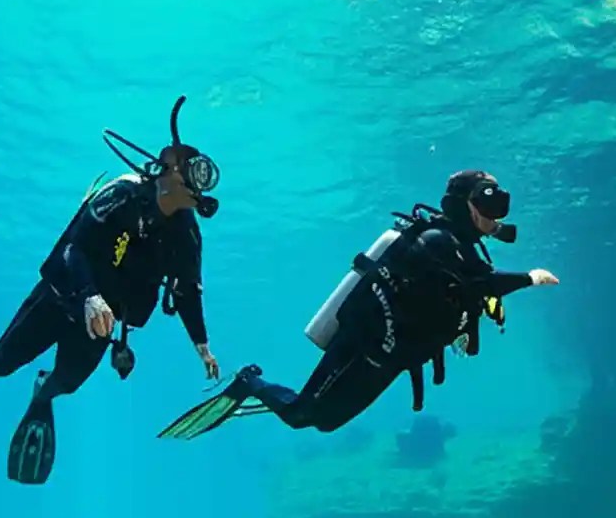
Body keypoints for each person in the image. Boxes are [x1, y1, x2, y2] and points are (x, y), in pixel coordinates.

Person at [0, 96, 225, 485]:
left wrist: (202, 345)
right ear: (169, 169)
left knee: (66, 383)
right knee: (1, 362)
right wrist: (88, 296)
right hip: (62, 297)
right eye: (194, 170)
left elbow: (187, 291)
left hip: (105, 321)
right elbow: (73, 246)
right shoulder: (123, 194)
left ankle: (42, 393)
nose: (200, 182)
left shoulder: (186, 235)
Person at [159, 169, 559, 440]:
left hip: (391, 360)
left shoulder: (467, 252)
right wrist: (531, 277)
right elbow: (480, 284)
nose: (494, 215)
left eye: (498, 205)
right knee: (301, 415)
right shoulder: (436, 240)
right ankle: (250, 382)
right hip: (361, 345)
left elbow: (473, 288)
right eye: (486, 203)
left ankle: (272, 393)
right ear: (463, 205)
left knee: (327, 423)